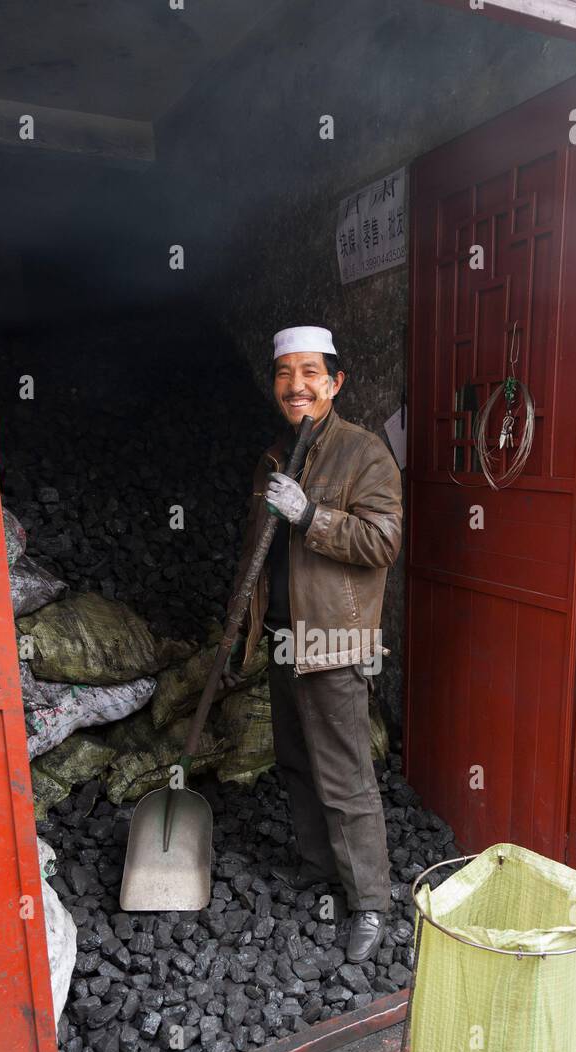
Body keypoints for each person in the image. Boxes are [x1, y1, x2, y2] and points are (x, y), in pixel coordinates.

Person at [226, 326, 403, 963]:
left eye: (308, 372)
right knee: (296, 760)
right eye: (283, 374)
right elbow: (258, 556)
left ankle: (371, 905)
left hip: (332, 639)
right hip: (283, 638)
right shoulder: (276, 455)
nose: (294, 385)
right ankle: (319, 867)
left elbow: (383, 543)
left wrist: (310, 516)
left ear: (334, 382)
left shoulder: (364, 455)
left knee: (345, 776)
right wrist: (242, 625)